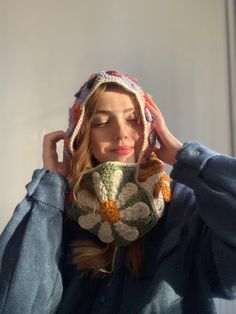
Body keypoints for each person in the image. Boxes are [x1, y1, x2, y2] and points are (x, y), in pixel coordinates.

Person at [0, 70, 236, 314]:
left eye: (133, 119)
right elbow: (15, 302)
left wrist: (188, 159)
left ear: (149, 127)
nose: (121, 132)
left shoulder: (184, 211)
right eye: (102, 122)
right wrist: (50, 188)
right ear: (82, 136)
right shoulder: (65, 216)